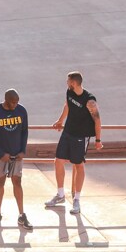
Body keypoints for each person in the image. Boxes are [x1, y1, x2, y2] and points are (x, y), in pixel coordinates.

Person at [44, 71, 102, 215]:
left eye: (68, 81)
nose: (66, 83)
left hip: (81, 136)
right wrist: (60, 120)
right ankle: (60, 195)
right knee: (58, 161)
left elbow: (97, 120)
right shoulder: (69, 92)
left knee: (78, 165)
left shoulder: (89, 100)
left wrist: (98, 140)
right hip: (67, 133)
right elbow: (67, 106)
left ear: (74, 83)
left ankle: (76, 199)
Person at [0, 89, 33, 231]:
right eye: (13, 102)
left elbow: (24, 131)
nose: (16, 105)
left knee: (17, 181)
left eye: (17, 102)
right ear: (6, 100)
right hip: (1, 157)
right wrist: (0, 153)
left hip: (17, 155)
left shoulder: (21, 111)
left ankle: (22, 214)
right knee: (0, 182)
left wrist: (23, 150)